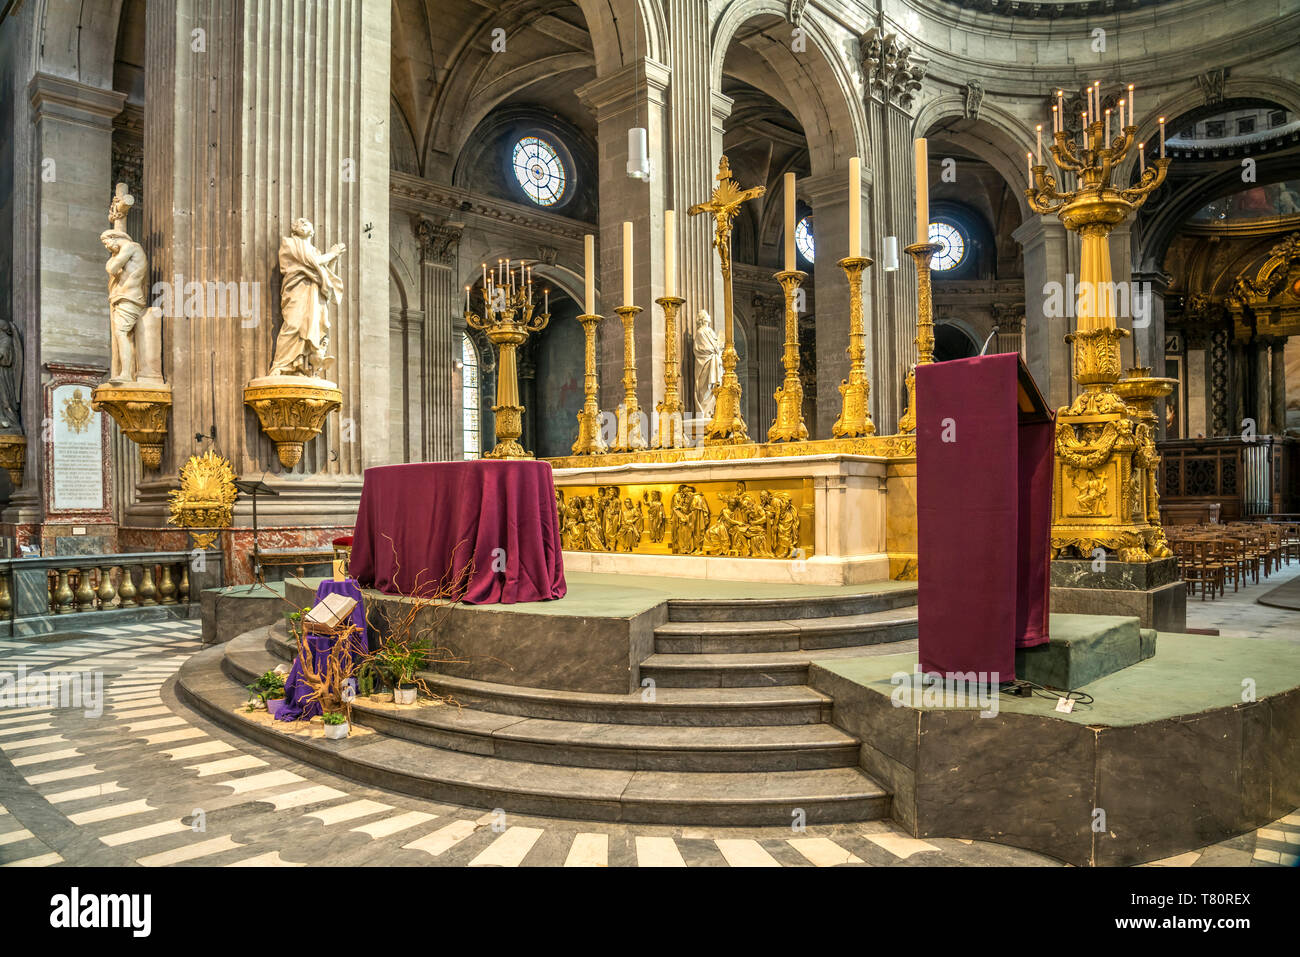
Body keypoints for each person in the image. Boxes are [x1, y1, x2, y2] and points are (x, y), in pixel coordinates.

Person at [270, 219, 345, 378]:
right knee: (293, 325)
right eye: (300, 223)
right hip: (297, 289)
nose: (303, 223)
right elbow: (310, 262)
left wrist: (333, 259)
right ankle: (280, 365)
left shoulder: (316, 252)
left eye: (306, 223)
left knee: (313, 327)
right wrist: (332, 254)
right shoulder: (289, 243)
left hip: (314, 295)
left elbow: (326, 275)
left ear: (313, 230)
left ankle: (303, 367)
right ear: (294, 230)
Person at [101, 229, 148, 384]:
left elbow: (111, 268)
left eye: (106, 242)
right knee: (125, 336)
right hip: (124, 297)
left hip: (130, 297)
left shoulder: (130, 246)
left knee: (121, 332)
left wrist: (114, 258)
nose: (106, 247)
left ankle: (126, 374)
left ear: (114, 237)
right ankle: (128, 373)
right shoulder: (127, 252)